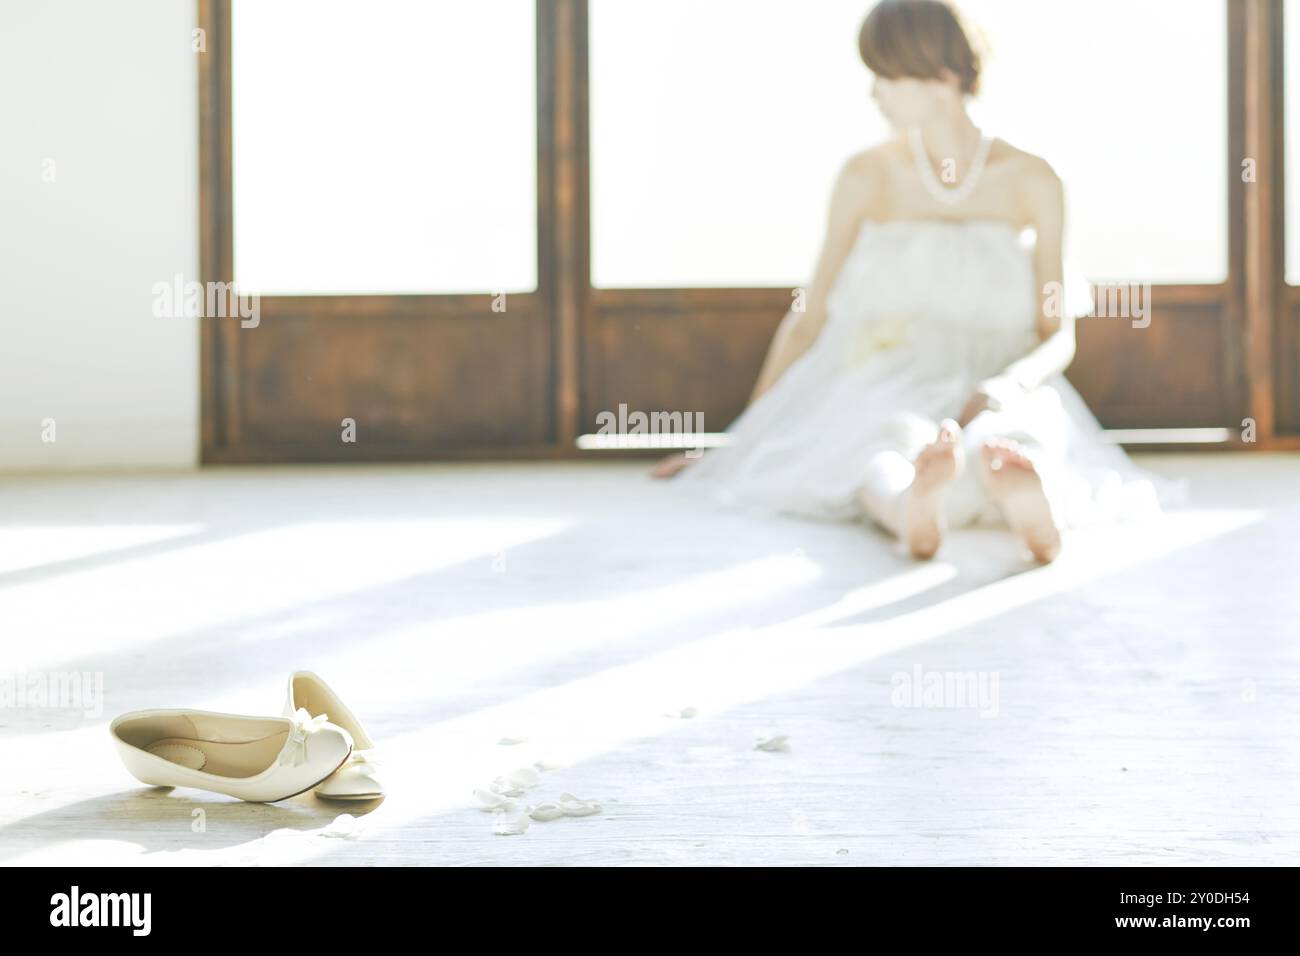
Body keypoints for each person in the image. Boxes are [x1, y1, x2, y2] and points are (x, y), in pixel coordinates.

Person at [656, 0, 1172, 563]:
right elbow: (811, 314)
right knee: (879, 443)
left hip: (1000, 375)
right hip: (890, 373)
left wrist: (1009, 384)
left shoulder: (1033, 179)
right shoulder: (867, 175)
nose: (873, 94)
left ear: (941, 78)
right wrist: (740, 441)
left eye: (885, 76)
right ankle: (909, 507)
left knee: (1011, 437)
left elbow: (1058, 331)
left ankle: (1031, 502)